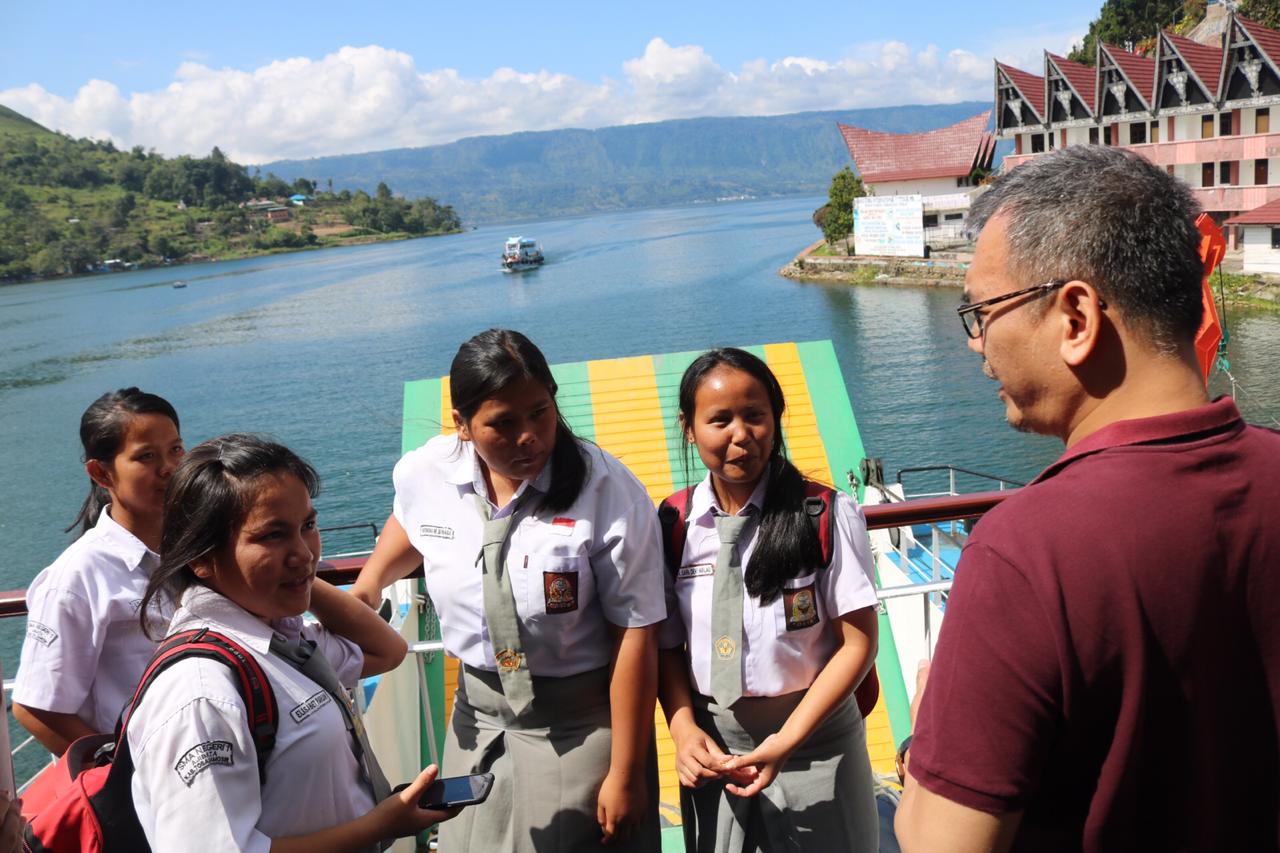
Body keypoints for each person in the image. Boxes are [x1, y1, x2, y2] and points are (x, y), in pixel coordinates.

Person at [894, 145, 1280, 852]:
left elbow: (940, 843)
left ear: (1075, 317)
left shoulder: (1023, 554)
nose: (978, 345)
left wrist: (926, 744)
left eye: (982, 311)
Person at [350, 329, 666, 851]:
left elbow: (636, 633)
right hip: (477, 716)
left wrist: (626, 772)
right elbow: (413, 526)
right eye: (504, 423)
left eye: (540, 412)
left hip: (578, 723)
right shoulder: (428, 473)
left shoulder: (607, 489)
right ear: (463, 425)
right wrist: (366, 587)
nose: (530, 438)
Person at [128, 433, 458, 850]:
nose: (303, 550)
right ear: (201, 557)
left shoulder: (278, 640)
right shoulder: (201, 694)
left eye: (308, 525)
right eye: (271, 535)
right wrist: (378, 826)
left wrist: (299, 575)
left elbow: (386, 650)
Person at [656, 347, 880, 852]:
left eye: (755, 415)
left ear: (776, 419)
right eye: (720, 420)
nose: (741, 434)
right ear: (689, 429)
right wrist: (683, 729)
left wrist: (788, 738)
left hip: (816, 744)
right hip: (716, 750)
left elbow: (858, 644)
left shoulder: (824, 512)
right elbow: (667, 645)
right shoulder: (673, 523)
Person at [12, 388, 185, 754]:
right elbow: (36, 708)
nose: (169, 467)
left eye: (176, 450)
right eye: (147, 456)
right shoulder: (78, 578)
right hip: (148, 786)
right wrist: (119, 777)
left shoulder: (192, 549)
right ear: (101, 473)